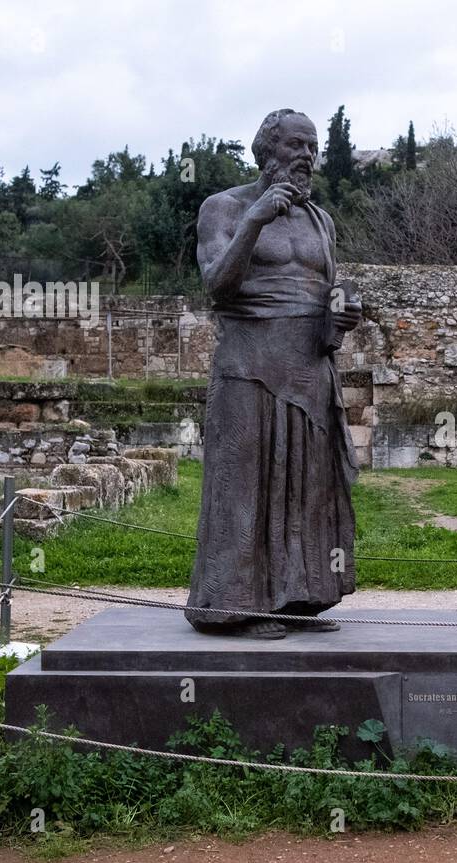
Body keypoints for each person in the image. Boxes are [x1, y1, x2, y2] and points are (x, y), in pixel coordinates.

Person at [185, 109, 360, 638]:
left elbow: (325, 291)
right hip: (249, 367)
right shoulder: (225, 207)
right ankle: (236, 606)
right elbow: (216, 284)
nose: (305, 156)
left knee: (308, 490)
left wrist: (342, 311)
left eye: (312, 147)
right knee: (245, 487)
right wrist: (256, 218)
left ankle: (298, 599)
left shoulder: (320, 221)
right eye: (294, 146)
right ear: (267, 150)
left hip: (309, 370)